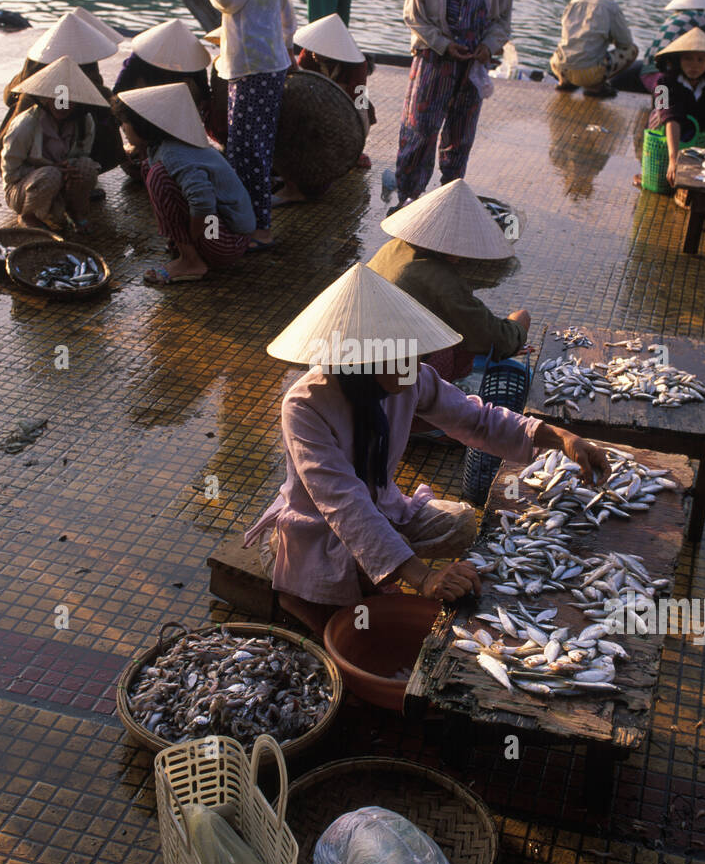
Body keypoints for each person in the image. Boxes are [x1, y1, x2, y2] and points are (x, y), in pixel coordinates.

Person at [243, 263, 608, 636]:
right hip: (321, 528)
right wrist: (422, 577)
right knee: (362, 612)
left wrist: (562, 437)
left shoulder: (411, 377)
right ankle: (298, 591)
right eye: (402, 356)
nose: (415, 366)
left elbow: (476, 420)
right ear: (363, 358)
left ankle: (382, 565)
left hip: (385, 507)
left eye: (415, 354)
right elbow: (345, 503)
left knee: (463, 523)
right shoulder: (305, 405)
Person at [175, 0, 296, 250]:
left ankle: (257, 228)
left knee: (248, 150)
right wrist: (287, 43)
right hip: (268, 59)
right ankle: (251, 223)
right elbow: (284, 6)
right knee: (254, 146)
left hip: (253, 64)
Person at [394, 0, 517, 207]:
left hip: (472, 67)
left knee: (460, 137)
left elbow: (502, 20)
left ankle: (448, 200)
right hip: (434, 63)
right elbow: (414, 15)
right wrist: (444, 45)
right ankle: (409, 199)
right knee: (420, 132)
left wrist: (488, 47)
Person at [368, 178, 529, 386]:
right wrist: (519, 325)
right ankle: (426, 401)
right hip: (388, 373)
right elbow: (494, 338)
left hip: (363, 354)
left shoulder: (392, 248)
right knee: (460, 345)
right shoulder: (441, 281)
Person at [112, 84, 255, 286]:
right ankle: (190, 251)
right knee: (149, 169)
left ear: (142, 125)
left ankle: (190, 261)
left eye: (125, 123)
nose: (123, 129)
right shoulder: (164, 146)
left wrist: (193, 237)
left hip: (225, 239)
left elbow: (204, 204)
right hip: (220, 230)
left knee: (158, 178)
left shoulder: (173, 153)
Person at [0, 10, 122, 175]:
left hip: (67, 126)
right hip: (35, 159)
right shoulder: (32, 100)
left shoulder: (51, 58)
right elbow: (61, 103)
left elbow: (10, 95)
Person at [0, 57, 107, 232]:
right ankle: (28, 216)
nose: (62, 106)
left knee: (86, 167)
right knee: (50, 174)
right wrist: (52, 168)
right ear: (46, 98)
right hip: (22, 189)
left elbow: (83, 154)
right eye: (57, 98)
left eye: (68, 100)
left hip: (60, 181)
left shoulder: (84, 122)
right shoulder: (26, 124)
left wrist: (69, 169)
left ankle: (76, 213)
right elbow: (11, 173)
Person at [279, 13, 375, 195]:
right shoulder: (309, 54)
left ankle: (353, 149)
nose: (314, 54)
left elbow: (358, 96)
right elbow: (299, 81)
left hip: (346, 105)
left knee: (362, 111)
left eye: (320, 51)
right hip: (313, 100)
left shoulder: (358, 64)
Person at [112, 18, 215, 176]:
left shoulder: (191, 63)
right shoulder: (139, 60)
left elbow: (205, 96)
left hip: (176, 122)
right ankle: (144, 144)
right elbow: (119, 95)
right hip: (144, 119)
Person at [647, 28, 705, 192]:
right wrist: (673, 159)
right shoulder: (663, 82)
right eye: (688, 59)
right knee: (658, 117)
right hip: (671, 126)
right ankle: (664, 163)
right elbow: (671, 118)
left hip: (701, 128)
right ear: (678, 60)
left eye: (700, 60)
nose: (694, 65)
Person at [550, 0, 638, 99]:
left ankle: (566, 82)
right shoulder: (610, 6)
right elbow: (625, 43)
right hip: (587, 73)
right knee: (632, 50)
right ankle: (595, 87)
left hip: (559, 67)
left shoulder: (575, 0)